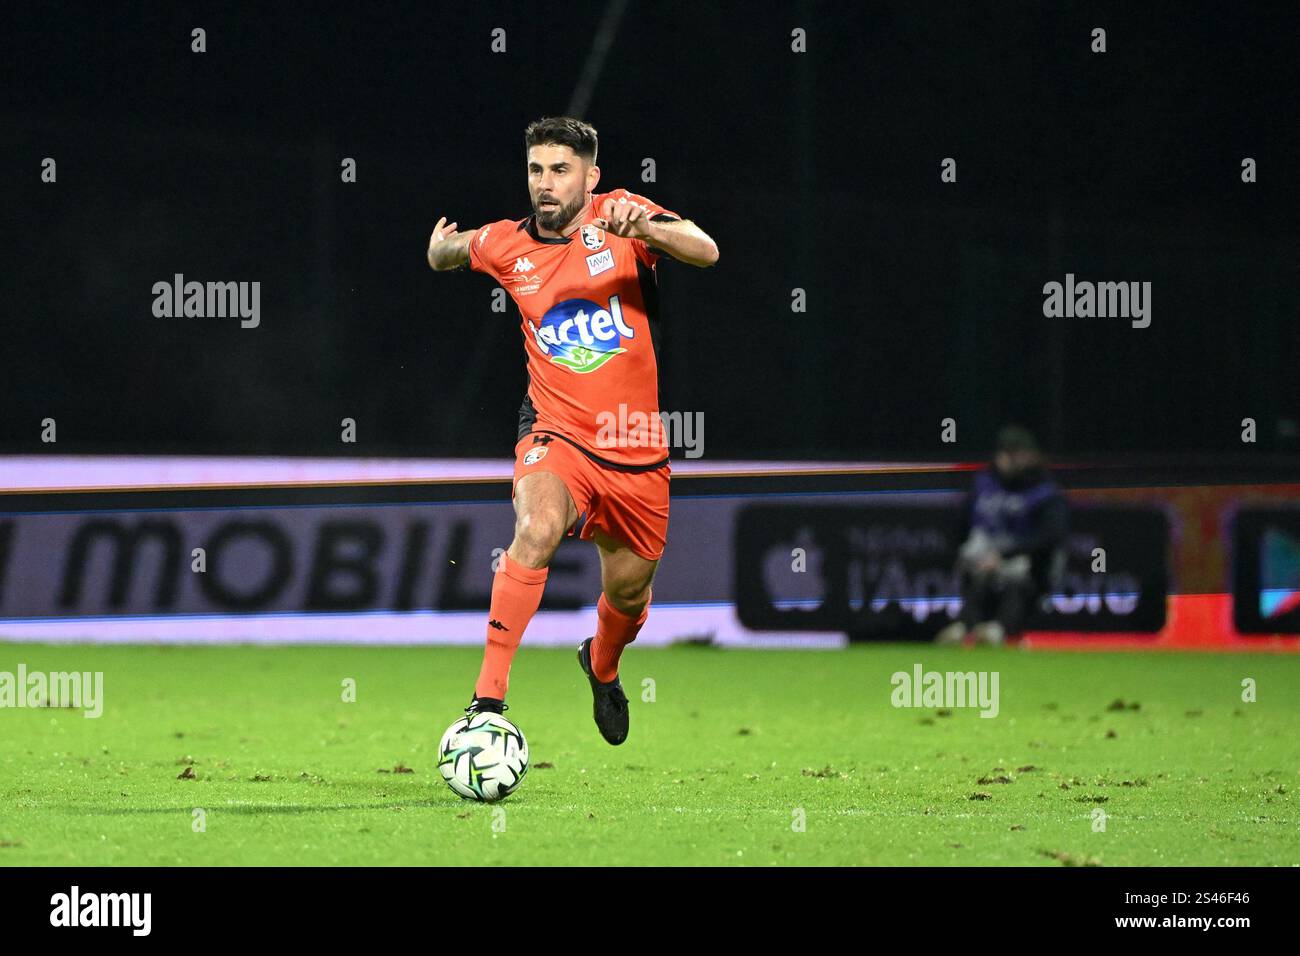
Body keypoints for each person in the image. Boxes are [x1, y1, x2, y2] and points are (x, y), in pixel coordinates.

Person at [426, 117, 719, 744]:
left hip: (636, 450)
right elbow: (447, 253)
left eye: (560, 170)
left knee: (631, 594)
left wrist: (646, 228)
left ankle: (602, 663)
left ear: (591, 176)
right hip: (556, 434)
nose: (545, 184)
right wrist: (440, 247)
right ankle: (487, 706)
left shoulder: (623, 215)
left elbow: (705, 248)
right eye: (536, 170)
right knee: (534, 529)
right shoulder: (508, 244)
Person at [935, 426, 1068, 647]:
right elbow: (960, 525)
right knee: (976, 557)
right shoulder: (985, 483)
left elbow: (1050, 535)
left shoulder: (1044, 491)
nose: (1007, 460)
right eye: (1005, 454)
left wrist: (1004, 554)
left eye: (1015, 454)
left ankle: (1000, 628)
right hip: (985, 556)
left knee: (1015, 571)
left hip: (1028, 561)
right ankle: (964, 625)